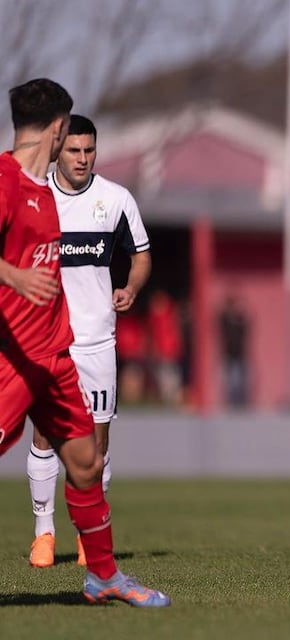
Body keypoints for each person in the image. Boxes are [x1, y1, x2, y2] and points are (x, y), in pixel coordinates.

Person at [1, 78, 168, 606]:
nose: (71, 147)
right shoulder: (5, 182)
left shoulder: (49, 194)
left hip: (61, 356)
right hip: (18, 360)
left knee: (87, 462)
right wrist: (13, 277)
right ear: (55, 130)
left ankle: (102, 577)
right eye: (66, 135)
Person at [27, 114, 153, 570]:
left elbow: (141, 254)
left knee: (95, 448)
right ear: (58, 149)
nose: (82, 158)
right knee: (44, 436)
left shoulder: (115, 200)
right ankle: (43, 533)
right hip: (46, 340)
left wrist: (132, 287)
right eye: (75, 150)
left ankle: (89, 536)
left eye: (90, 150)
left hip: (98, 342)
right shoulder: (37, 199)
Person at [219, 294, 250, 408]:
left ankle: (240, 402)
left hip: (240, 353)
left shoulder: (240, 319)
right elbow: (221, 325)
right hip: (228, 353)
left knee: (240, 380)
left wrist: (240, 315)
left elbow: (246, 330)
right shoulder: (224, 318)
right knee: (229, 380)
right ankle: (231, 402)